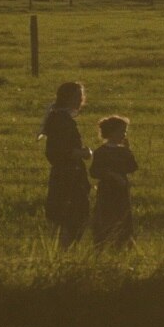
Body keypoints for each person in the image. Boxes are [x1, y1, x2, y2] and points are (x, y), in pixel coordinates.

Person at [40, 81, 92, 249]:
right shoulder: (62, 120)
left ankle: (65, 252)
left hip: (68, 173)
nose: (80, 100)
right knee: (73, 216)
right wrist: (82, 153)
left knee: (68, 217)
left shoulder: (58, 117)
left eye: (81, 96)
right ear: (68, 98)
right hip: (68, 174)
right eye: (77, 96)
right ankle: (66, 253)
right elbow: (59, 151)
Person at [89, 115, 138, 250]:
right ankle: (103, 245)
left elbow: (132, 166)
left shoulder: (123, 151)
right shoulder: (101, 152)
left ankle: (121, 246)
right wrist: (111, 174)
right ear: (112, 132)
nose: (124, 134)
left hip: (121, 190)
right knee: (106, 218)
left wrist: (128, 150)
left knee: (123, 218)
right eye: (122, 131)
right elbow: (94, 171)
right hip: (107, 190)